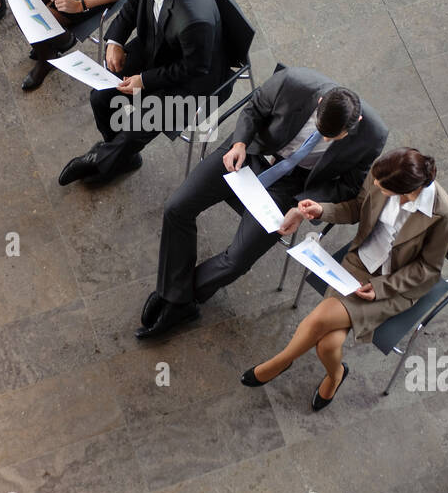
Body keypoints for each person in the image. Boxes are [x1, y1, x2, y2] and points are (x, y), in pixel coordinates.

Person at [136, 68, 388, 339]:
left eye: (333, 138)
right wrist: (240, 143)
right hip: (252, 153)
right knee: (177, 208)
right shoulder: (293, 82)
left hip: (292, 187)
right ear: (319, 104)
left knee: (237, 260)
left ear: (357, 121)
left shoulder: (373, 135)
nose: (325, 141)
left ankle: (178, 299)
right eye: (322, 132)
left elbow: (349, 185)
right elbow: (254, 108)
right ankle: (176, 298)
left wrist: (304, 205)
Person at [241, 149, 448, 410]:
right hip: (359, 262)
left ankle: (280, 362)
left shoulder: (443, 213)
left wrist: (381, 288)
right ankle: (336, 375)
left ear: (404, 191)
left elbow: (428, 269)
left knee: (320, 321)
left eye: (383, 186)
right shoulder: (384, 171)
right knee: (327, 344)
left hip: (393, 285)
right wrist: (322, 210)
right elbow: (357, 208)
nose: (375, 184)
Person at [58, 0, 226, 186]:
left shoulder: (193, 19)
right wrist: (115, 41)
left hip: (190, 80)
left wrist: (144, 80)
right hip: (157, 47)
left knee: (137, 128)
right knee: (100, 98)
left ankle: (105, 159)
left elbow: (194, 67)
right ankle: (121, 158)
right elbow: (133, 2)